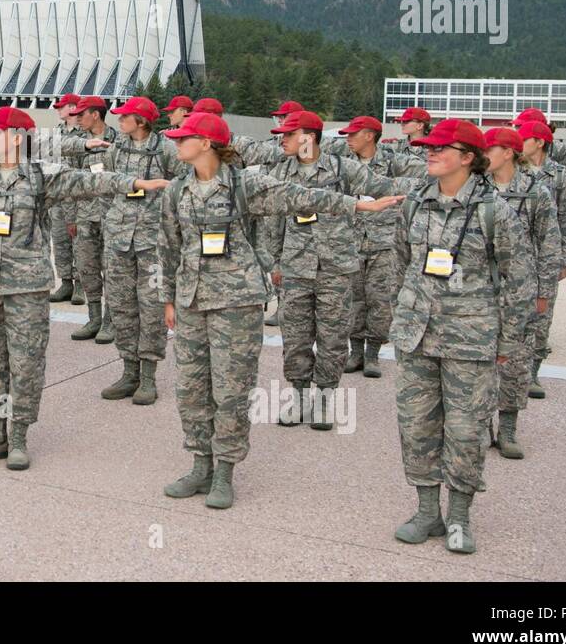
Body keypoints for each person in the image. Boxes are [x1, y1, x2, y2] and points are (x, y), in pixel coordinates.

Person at [159, 112, 404, 508]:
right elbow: (168, 245)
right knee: (191, 389)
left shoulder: (246, 183)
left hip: (237, 303)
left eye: (183, 137)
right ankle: (199, 464)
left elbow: (302, 196)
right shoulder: (176, 191)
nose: (176, 142)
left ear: (206, 143)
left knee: (231, 390)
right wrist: (169, 298)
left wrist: (358, 207)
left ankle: (225, 471)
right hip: (191, 301)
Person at [0, 107, 171, 469]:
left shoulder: (41, 177)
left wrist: (135, 184)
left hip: (27, 287)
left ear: (18, 138)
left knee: (26, 363)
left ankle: (19, 436)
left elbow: (89, 182)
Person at [391, 119, 533, 555]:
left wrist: (509, 346)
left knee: (466, 432)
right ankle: (427, 510)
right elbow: (403, 263)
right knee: (417, 428)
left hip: (470, 341)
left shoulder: (497, 212)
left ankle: (459, 517)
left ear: (468, 158)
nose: (429, 152)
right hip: (417, 336)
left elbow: (520, 283)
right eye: (428, 147)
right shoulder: (415, 205)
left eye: (440, 148)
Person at [260, 110, 414, 428]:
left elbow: (385, 186)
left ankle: (325, 401)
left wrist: (436, 187)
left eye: (290, 134)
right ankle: (300, 398)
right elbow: (272, 222)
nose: (283, 139)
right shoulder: (279, 172)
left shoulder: (344, 168)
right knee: (296, 337)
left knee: (332, 336)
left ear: (310, 136)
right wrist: (275, 262)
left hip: (336, 266)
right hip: (295, 267)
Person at [92, 97, 182, 405]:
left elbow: (181, 188)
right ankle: (128, 371)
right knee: (121, 306)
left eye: (125, 116)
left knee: (152, 309)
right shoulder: (115, 149)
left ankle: (147, 377)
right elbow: (105, 185)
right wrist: (109, 220)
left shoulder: (167, 149)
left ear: (141, 120)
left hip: (153, 242)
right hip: (118, 239)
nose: (119, 120)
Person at [324, 115, 426, 375]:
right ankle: (355, 351)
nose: (348, 139)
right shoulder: (343, 164)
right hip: (351, 238)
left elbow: (427, 172)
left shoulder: (394, 161)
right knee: (353, 299)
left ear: (369, 135)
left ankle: (373, 354)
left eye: (353, 134)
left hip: (384, 241)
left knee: (380, 300)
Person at [483, 127, 561, 459]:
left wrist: (544, 291)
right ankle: (478, 423)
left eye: (490, 149)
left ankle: (509, 427)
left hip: (520, 289)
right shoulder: (476, 187)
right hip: (481, 287)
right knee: (477, 358)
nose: (483, 154)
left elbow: (549, 243)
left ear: (508, 153)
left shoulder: (535, 191)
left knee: (514, 362)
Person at [516, 120, 566, 400]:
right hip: (516, 256)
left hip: (546, 257)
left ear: (539, 142)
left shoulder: (560, 175)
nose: (518, 140)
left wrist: (565, 258)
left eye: (523, 136)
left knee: (541, 318)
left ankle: (533, 373)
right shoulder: (514, 170)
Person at [68, 96, 119, 342]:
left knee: (112, 269)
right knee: (87, 267)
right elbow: (71, 181)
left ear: (96, 114)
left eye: (82, 113)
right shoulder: (79, 144)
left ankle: (110, 321)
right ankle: (94, 318)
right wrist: (71, 217)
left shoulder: (119, 140)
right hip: (86, 215)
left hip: (112, 216)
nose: (77, 117)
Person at [47, 93, 83, 304]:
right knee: (60, 242)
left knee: (79, 244)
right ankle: (66, 282)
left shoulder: (84, 136)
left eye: (61, 106)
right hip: (59, 198)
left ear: (72, 107)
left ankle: (80, 285)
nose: (58, 110)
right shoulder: (56, 134)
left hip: (78, 198)